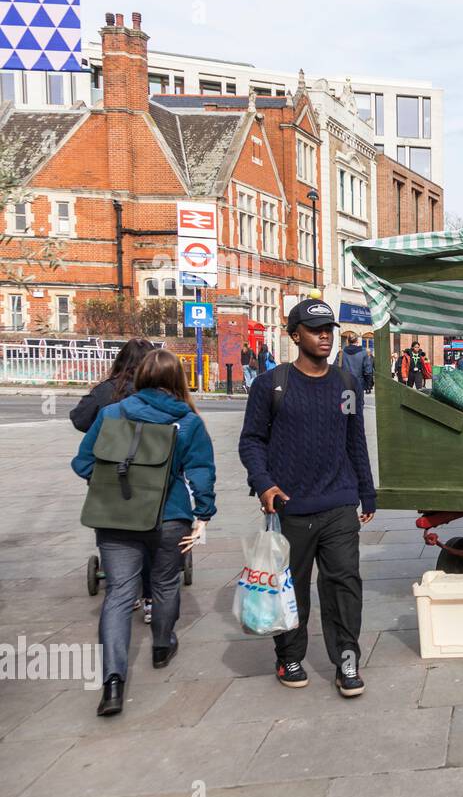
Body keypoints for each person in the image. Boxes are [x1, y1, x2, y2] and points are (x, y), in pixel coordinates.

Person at [239, 300, 377, 699]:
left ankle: (347, 656)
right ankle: (289, 655)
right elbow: (251, 441)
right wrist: (264, 484)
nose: (325, 336)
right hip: (291, 507)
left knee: (343, 584)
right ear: (294, 334)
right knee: (292, 587)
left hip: (338, 504)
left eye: (329, 329)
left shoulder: (347, 385)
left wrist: (366, 492)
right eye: (315, 329)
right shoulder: (272, 385)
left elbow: (356, 441)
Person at [72, 349, 215, 716]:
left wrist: (115, 486)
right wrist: (203, 515)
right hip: (170, 519)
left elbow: (83, 462)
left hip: (116, 518)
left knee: (118, 594)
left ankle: (113, 682)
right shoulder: (188, 421)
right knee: (165, 583)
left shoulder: (111, 413)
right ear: (177, 380)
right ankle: (162, 645)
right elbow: (200, 471)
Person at [71, 338, 160, 622]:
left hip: (109, 477)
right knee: (148, 538)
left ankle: (125, 591)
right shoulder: (160, 394)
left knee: (113, 533)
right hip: (150, 478)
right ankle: (150, 599)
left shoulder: (105, 392)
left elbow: (79, 420)